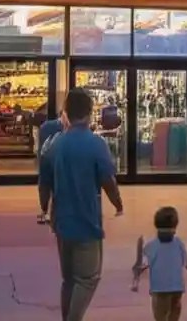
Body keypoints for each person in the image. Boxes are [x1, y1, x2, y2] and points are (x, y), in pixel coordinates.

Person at [42, 88, 125, 321]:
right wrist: (118, 204)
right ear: (90, 114)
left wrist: (45, 207)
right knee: (88, 278)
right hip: (87, 221)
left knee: (69, 279)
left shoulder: (54, 144)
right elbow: (108, 180)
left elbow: (44, 182)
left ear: (65, 113)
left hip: (61, 222)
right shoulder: (96, 144)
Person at [132, 206, 187, 321]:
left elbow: (141, 265)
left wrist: (136, 281)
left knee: (160, 316)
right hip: (177, 287)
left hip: (160, 289)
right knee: (174, 314)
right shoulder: (179, 243)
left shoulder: (152, 245)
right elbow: (186, 263)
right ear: (175, 227)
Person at [38, 110, 66, 225]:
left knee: (46, 185)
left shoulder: (46, 126)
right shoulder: (49, 127)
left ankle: (46, 211)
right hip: (53, 160)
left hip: (47, 159)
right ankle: (47, 211)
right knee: (49, 185)